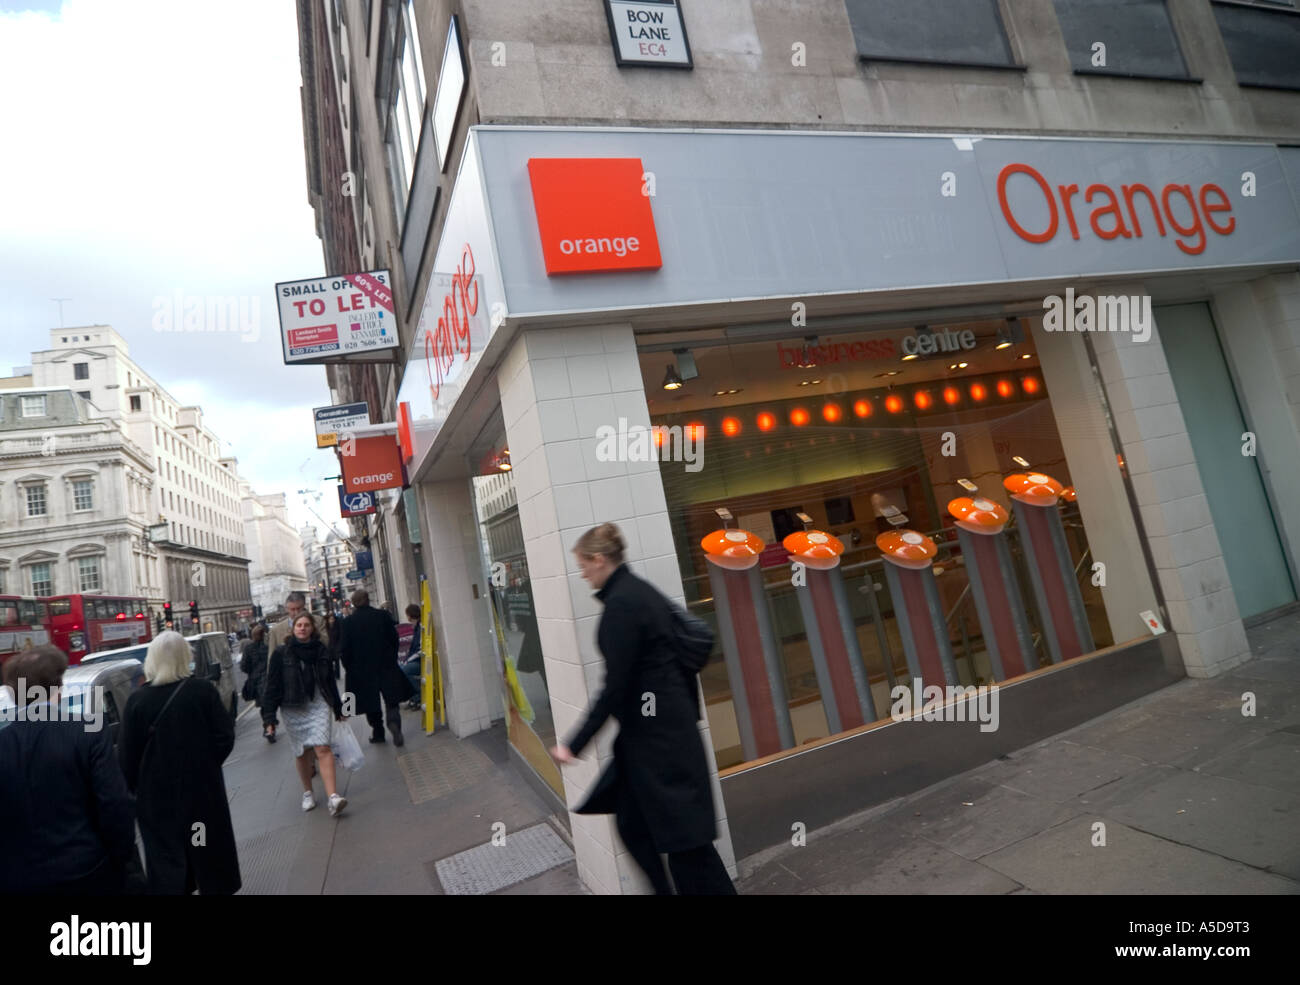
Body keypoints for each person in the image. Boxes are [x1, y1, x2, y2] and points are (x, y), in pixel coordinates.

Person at [549, 523, 736, 895]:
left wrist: (574, 743)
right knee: (635, 825)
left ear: (599, 559)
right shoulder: (637, 592)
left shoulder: (623, 605)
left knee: (688, 850)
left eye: (583, 565)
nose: (582, 574)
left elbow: (615, 687)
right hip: (657, 735)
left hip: (660, 744)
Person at [0, 645, 137, 894]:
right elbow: (114, 804)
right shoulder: (87, 731)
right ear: (58, 687)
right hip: (86, 871)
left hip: (20, 880)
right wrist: (119, 858)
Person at [119, 631, 242, 895]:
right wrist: (206, 765)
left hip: (157, 802)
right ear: (185, 657)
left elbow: (127, 758)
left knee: (167, 858)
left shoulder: (137, 702)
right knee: (204, 848)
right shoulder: (201, 691)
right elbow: (224, 736)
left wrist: (136, 790)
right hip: (201, 794)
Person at [263, 612, 349, 816]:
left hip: (318, 702)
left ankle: (333, 797)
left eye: (306, 625)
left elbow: (329, 681)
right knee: (301, 753)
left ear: (312, 628)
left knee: (323, 747)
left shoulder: (321, 650)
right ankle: (308, 792)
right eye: (299, 625)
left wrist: (338, 708)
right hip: (292, 707)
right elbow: (272, 686)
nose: (302, 628)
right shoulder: (281, 653)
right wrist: (269, 718)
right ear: (293, 629)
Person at [340, 589, 415, 746]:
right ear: (368, 600)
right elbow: (394, 638)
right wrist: (392, 657)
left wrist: (349, 667)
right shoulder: (382, 616)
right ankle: (394, 723)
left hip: (361, 669)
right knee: (392, 697)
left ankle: (378, 732)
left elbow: (344, 649)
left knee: (370, 702)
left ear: (353, 604)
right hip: (385, 663)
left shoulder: (348, 623)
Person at [239, 624, 274, 742]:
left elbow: (244, 666)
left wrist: (252, 671)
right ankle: (270, 726)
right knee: (270, 704)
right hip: (271, 678)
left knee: (264, 705)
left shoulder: (248, 648)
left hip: (256, 681)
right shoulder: (269, 646)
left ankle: (268, 727)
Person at [401, 604, 423, 709]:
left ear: (410, 615)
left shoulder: (420, 627)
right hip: (416, 660)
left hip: (420, 661)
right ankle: (413, 697)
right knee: (400, 670)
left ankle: (418, 695)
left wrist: (408, 660)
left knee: (404, 671)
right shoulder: (416, 627)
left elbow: (420, 649)